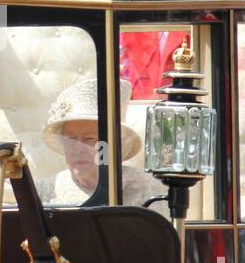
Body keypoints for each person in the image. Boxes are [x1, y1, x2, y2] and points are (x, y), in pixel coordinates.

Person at [38, 77, 163, 208]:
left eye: (89, 139)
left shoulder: (149, 189)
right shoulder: (46, 190)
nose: (78, 149)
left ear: (116, 146)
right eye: (71, 140)